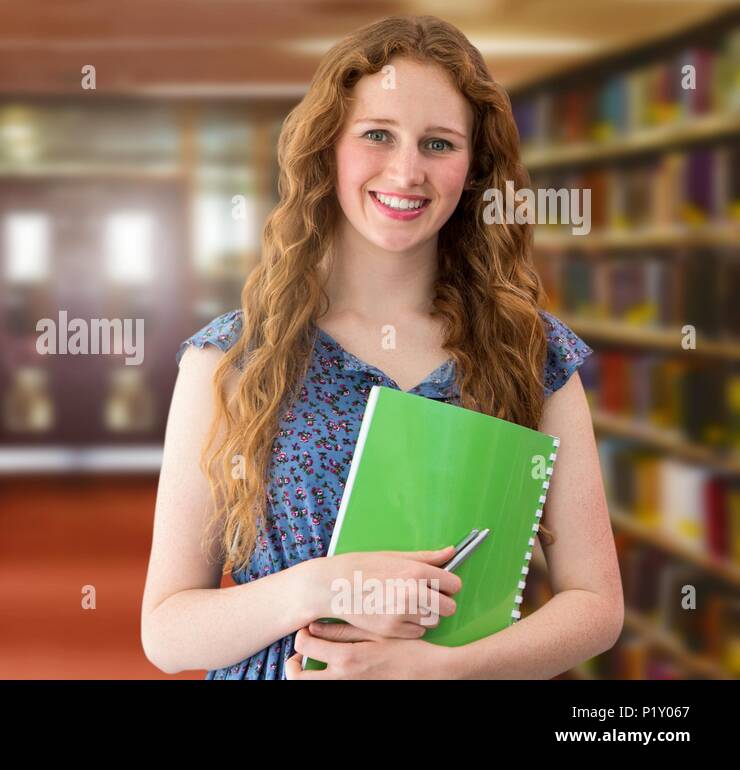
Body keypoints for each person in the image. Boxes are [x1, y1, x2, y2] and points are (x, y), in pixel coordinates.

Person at [140, 15, 623, 679]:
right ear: (328, 149)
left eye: (438, 144)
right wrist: (325, 587)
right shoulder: (231, 359)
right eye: (377, 135)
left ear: (472, 169)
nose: (407, 171)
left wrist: (441, 671)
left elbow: (596, 604)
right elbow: (167, 632)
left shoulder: (532, 355)